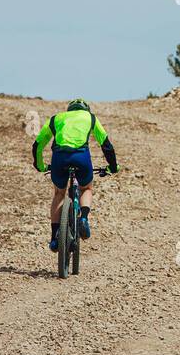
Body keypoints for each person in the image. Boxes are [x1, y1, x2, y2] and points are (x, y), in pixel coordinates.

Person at [32, 98, 119, 251]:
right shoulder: (90, 118)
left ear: (69, 110)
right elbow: (106, 145)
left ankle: (54, 238)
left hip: (59, 158)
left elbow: (38, 144)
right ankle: (83, 218)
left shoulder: (57, 118)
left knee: (59, 194)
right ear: (86, 109)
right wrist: (113, 167)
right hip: (81, 157)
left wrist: (40, 165)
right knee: (86, 189)